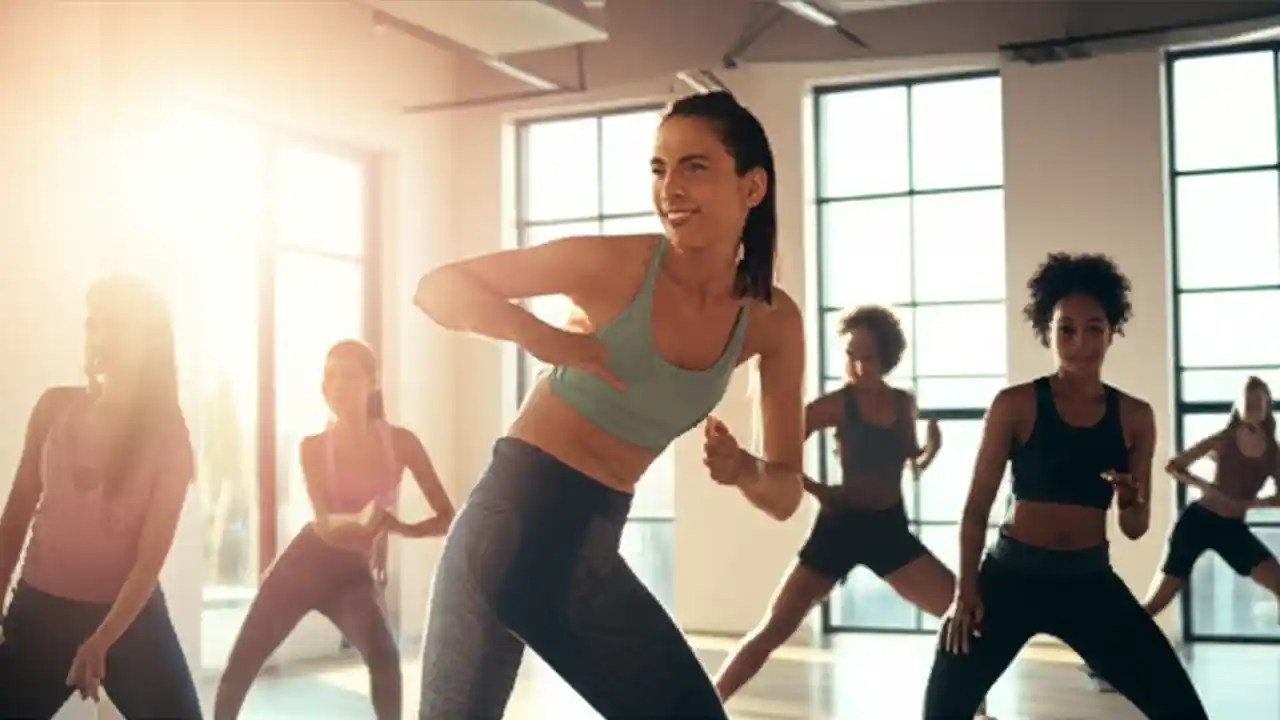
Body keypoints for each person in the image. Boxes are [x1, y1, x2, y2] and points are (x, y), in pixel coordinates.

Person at [413, 90, 805, 719]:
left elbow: (785, 495)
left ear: (752, 187)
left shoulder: (772, 322)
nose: (670, 188)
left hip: (587, 539)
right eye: (659, 168)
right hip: (511, 521)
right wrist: (546, 338)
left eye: (694, 166)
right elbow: (436, 289)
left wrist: (743, 471)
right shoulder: (614, 265)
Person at [922, 253, 1209, 719]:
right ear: (1047, 332)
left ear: (1112, 330)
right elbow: (975, 510)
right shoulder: (1015, 404)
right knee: (941, 712)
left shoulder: (1135, 416)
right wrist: (965, 593)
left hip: (1088, 583)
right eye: (1066, 329)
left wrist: (1130, 499)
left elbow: (1136, 527)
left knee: (1184, 712)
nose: (1080, 343)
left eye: (1094, 328)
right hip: (1009, 579)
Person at [713, 305, 990, 717]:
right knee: (774, 628)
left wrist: (929, 451)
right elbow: (779, 452)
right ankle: (700, 705)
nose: (859, 365)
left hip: (889, 531)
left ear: (887, 357)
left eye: (868, 357)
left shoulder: (903, 403)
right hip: (839, 529)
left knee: (965, 616)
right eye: (851, 355)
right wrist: (818, 490)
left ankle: (973, 712)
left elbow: (909, 462)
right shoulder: (836, 405)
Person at [214, 339, 454, 720]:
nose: (337, 386)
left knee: (386, 662)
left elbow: (447, 516)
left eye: (350, 376)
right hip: (302, 567)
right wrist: (365, 521)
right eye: (330, 376)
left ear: (373, 383)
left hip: (352, 576)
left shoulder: (402, 443)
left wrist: (399, 527)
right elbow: (326, 524)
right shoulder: (313, 447)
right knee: (240, 668)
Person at [0, 276, 202, 718]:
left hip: (130, 619)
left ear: (148, 341)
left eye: (117, 325)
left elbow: (150, 560)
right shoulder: (54, 408)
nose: (102, 337)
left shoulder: (170, 436)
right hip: (40, 611)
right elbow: (16, 515)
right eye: (94, 324)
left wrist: (104, 639)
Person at [1081, 375, 1280, 691]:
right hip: (1198, 523)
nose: (1254, 405)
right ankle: (1103, 660)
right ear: (1239, 406)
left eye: (1259, 400)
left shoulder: (1272, 452)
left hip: (1232, 529)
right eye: (1248, 400)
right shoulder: (1222, 439)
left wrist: (1250, 502)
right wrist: (1208, 488)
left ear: (1267, 405)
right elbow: (1174, 466)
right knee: (1157, 601)